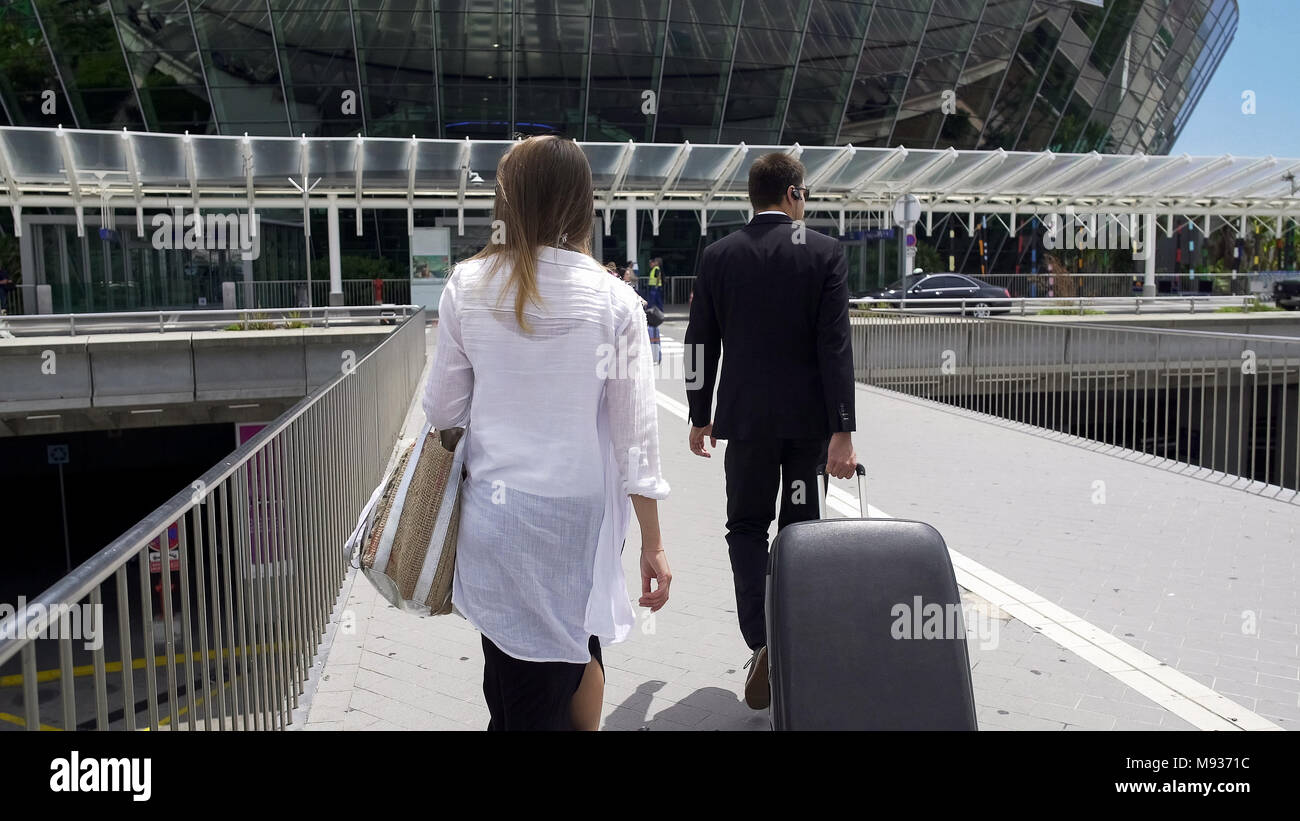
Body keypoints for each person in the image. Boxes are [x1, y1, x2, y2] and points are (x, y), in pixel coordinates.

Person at [422, 135, 672, 731]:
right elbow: (634, 439)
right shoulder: (617, 302)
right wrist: (653, 542)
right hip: (578, 526)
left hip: (494, 522)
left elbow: (442, 411)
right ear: (583, 203)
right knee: (566, 653)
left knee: (512, 680)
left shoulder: (467, 285)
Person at [683, 151, 857, 711]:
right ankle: (795, 641)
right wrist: (843, 431)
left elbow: (698, 343)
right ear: (793, 196)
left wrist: (698, 412)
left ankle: (761, 639)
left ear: (752, 198)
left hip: (748, 423)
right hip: (809, 429)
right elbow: (835, 349)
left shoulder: (719, 256)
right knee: (801, 531)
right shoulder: (825, 253)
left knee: (746, 527)